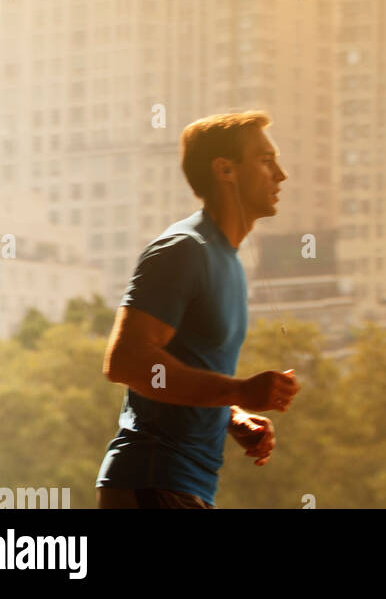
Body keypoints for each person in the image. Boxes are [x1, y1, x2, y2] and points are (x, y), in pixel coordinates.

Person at [95, 110, 300, 508]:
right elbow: (127, 362)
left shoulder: (229, 262)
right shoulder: (184, 251)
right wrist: (237, 390)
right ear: (226, 170)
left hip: (184, 487)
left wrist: (231, 415)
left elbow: (185, 365)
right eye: (265, 160)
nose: (281, 174)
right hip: (153, 481)